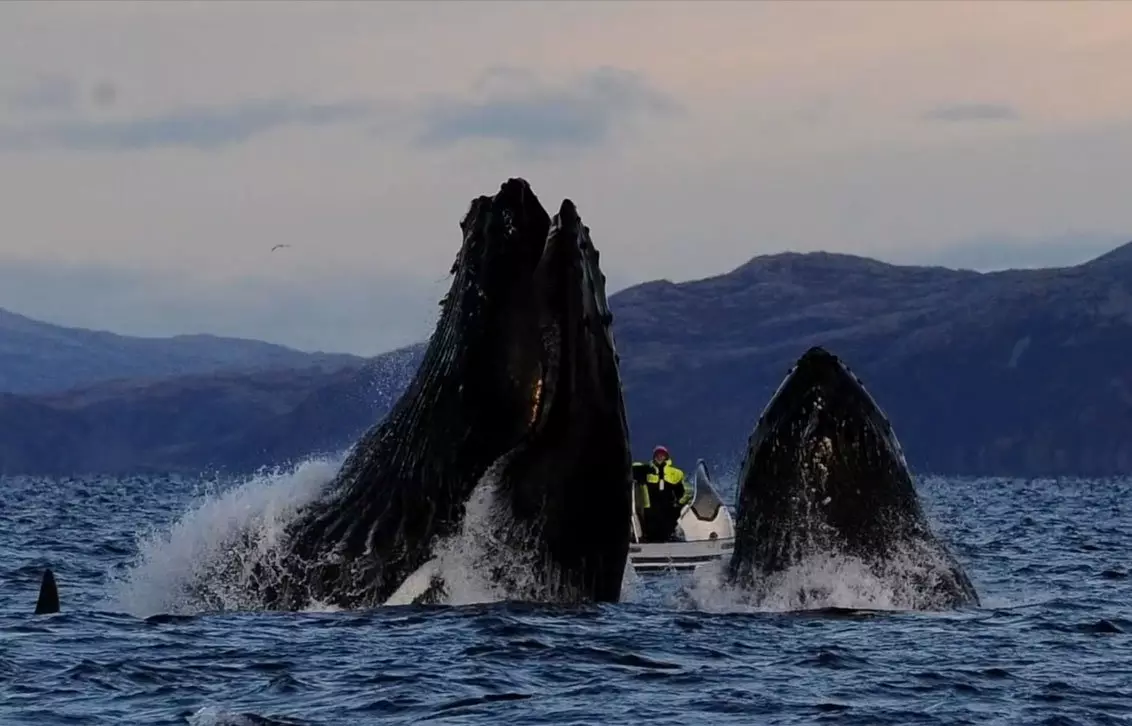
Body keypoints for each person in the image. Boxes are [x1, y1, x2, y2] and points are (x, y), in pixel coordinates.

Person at [632, 445, 693, 543]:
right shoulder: (646, 471)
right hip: (649, 508)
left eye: (662, 454)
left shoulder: (676, 473)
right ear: (654, 456)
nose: (660, 457)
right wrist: (645, 468)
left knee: (668, 529)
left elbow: (688, 490)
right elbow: (632, 468)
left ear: (667, 456)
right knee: (651, 530)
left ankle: (671, 543)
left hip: (668, 508)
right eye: (657, 454)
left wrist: (679, 503)